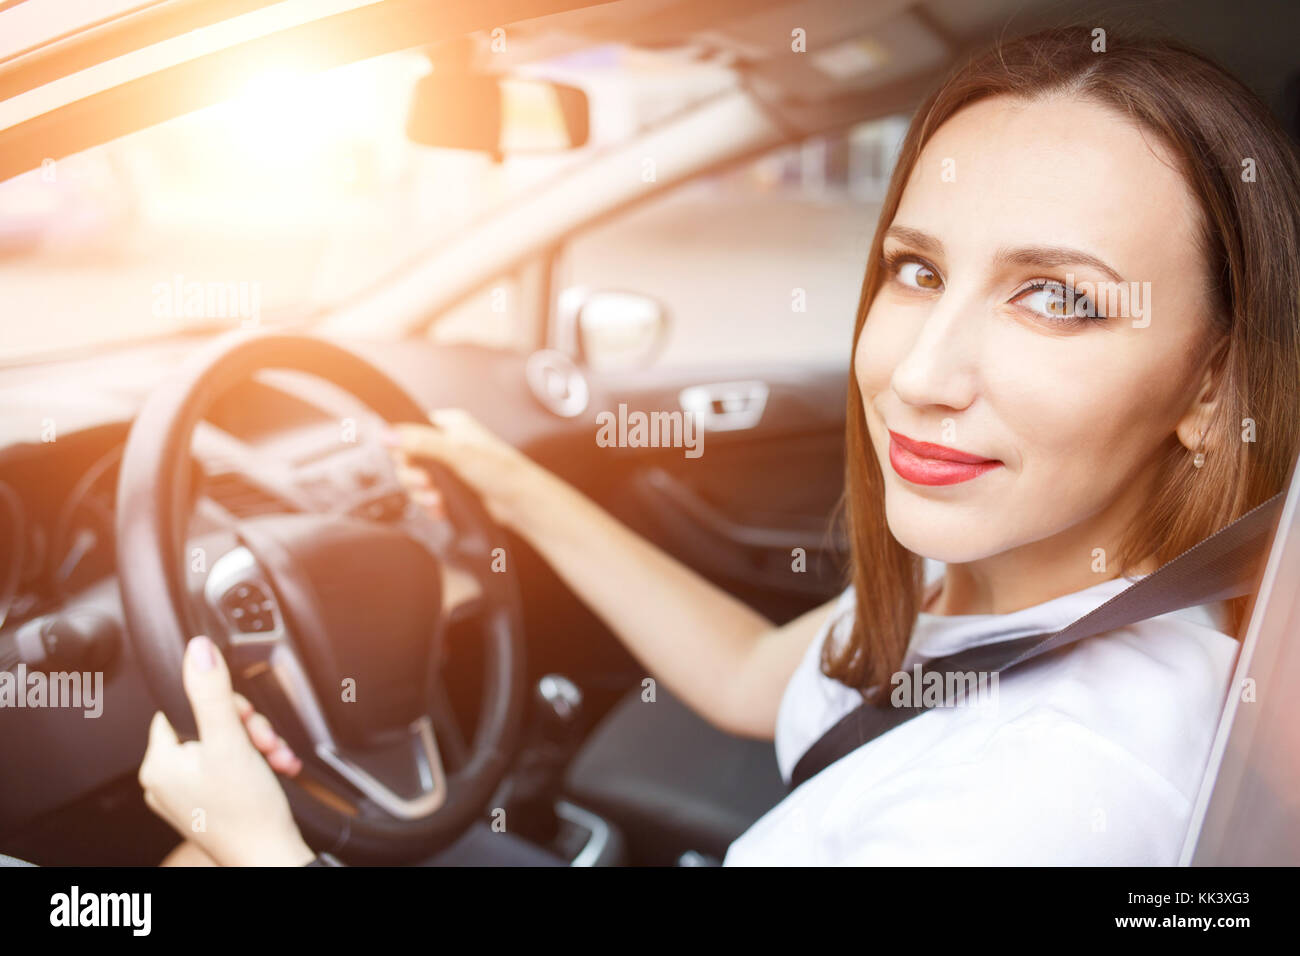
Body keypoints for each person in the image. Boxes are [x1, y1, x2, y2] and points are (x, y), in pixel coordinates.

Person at [139, 25, 1300, 865]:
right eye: (917, 269)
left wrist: (254, 846)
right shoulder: (1020, 584)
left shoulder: (1047, 799)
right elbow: (754, 674)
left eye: (1055, 298)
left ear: (1209, 383)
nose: (918, 373)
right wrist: (509, 485)